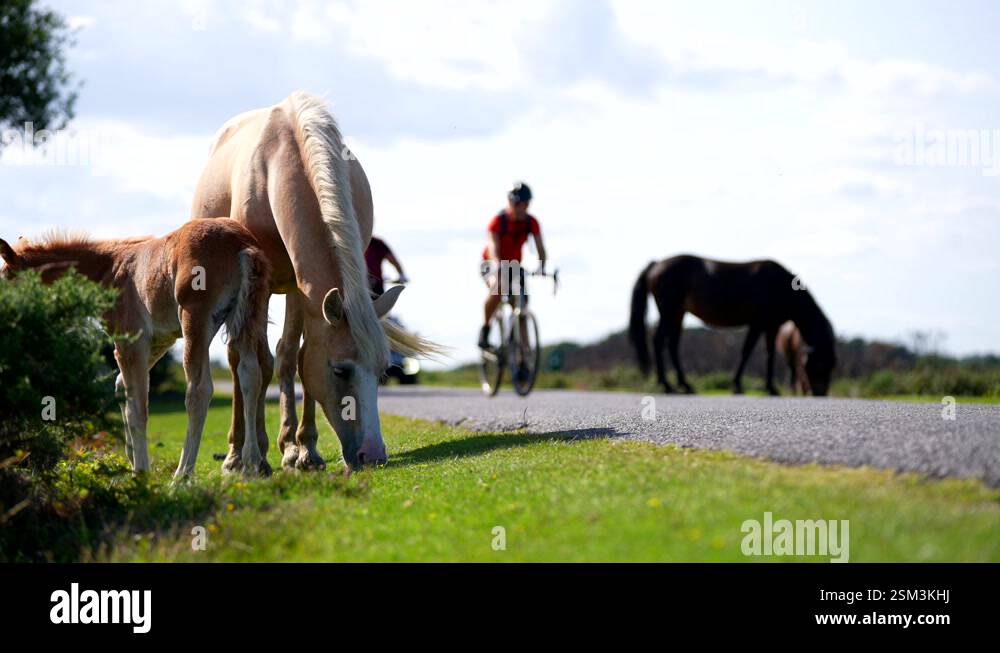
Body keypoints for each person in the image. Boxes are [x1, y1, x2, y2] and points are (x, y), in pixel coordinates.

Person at [478, 182, 547, 349]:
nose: (520, 208)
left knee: (521, 306)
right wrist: (498, 265)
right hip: (490, 264)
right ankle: (485, 330)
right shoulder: (498, 222)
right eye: (516, 204)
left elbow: (540, 248)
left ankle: (525, 354)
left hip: (513, 266)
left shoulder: (531, 223)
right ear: (510, 202)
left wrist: (541, 266)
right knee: (498, 288)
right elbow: (493, 247)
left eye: (524, 204)